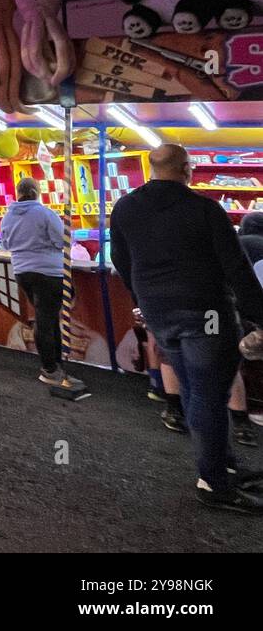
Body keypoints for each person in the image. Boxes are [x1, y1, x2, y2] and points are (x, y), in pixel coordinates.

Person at [110, 143, 263, 513]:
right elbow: (236, 268)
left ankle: (221, 467)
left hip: (161, 314)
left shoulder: (125, 208)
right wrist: (259, 316)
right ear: (187, 169)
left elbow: (120, 258)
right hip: (206, 313)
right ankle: (214, 482)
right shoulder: (204, 209)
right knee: (210, 395)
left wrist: (142, 297)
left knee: (197, 392)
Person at [0, 176, 86, 392]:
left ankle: (55, 363)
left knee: (45, 318)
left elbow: (6, 244)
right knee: (45, 320)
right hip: (48, 272)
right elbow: (61, 241)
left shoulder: (7, 217)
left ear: (18, 193)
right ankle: (49, 369)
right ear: (37, 192)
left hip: (22, 271)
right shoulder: (45, 214)